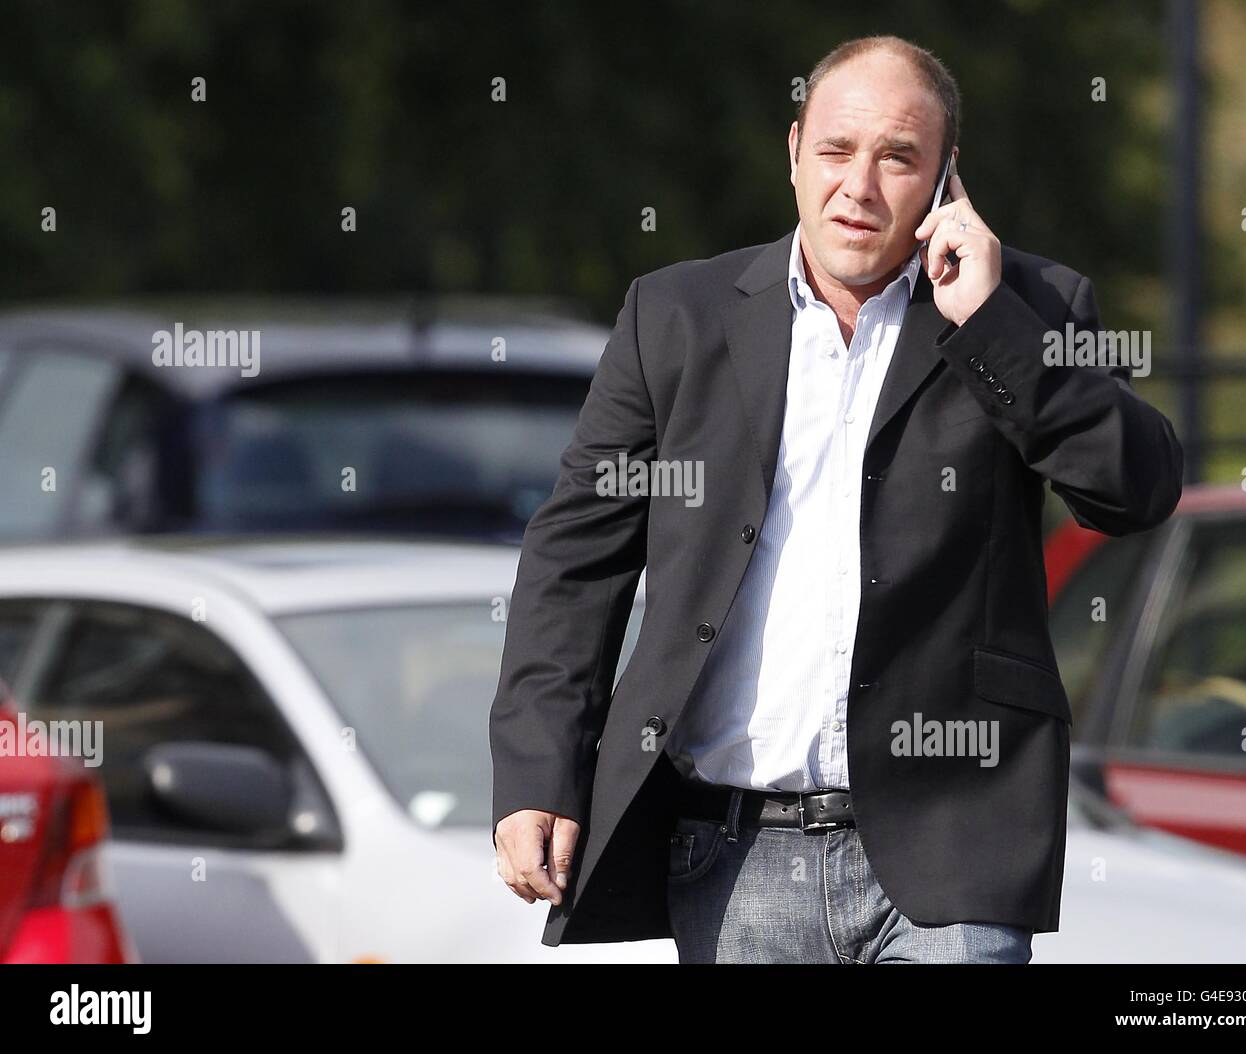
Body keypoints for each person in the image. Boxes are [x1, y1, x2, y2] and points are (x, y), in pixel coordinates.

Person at [489, 35, 1183, 963]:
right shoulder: (677, 319)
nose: (859, 186)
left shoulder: (1030, 307)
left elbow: (1135, 491)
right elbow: (576, 560)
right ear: (792, 151)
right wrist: (541, 773)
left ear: (945, 180)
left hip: (955, 849)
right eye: (835, 150)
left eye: (898, 157)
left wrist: (994, 324)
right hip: (731, 854)